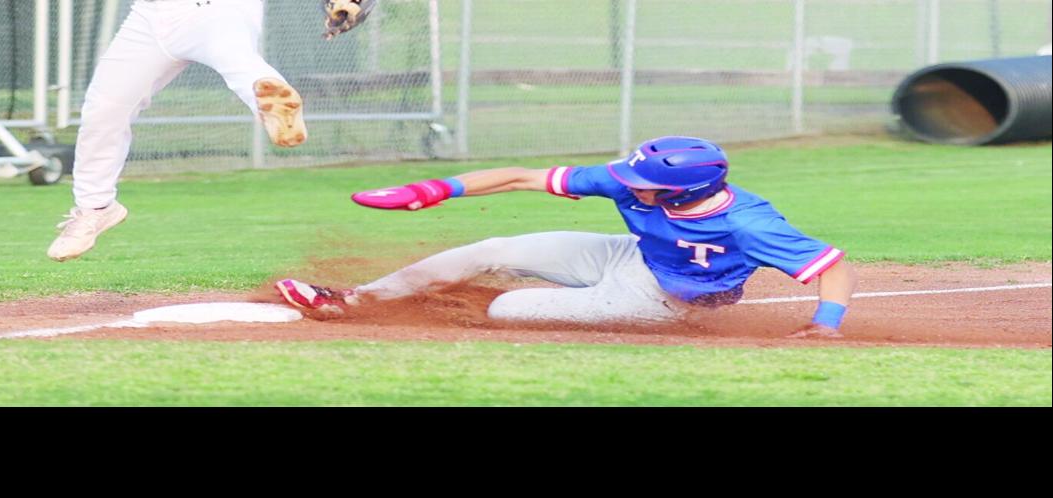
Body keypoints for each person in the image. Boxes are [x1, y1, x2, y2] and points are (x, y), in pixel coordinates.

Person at [275, 135, 857, 338]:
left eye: (643, 182)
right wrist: (433, 189)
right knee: (492, 251)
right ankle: (354, 301)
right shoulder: (633, 183)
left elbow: (832, 264)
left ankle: (467, 297)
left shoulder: (749, 224)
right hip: (631, 257)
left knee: (506, 310)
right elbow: (521, 177)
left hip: (664, 302)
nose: (628, 184)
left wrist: (824, 326)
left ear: (682, 191)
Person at [48, 0, 309, 262]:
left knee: (238, 59)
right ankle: (96, 207)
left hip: (217, 10)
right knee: (104, 108)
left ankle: (275, 112)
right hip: (150, 15)